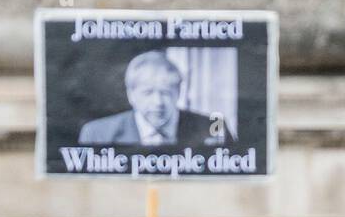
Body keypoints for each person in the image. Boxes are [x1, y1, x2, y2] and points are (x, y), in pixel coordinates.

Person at [79, 51, 234, 147]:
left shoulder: (214, 127)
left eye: (166, 92)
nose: (158, 102)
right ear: (131, 95)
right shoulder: (96, 134)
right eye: (148, 93)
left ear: (178, 92)